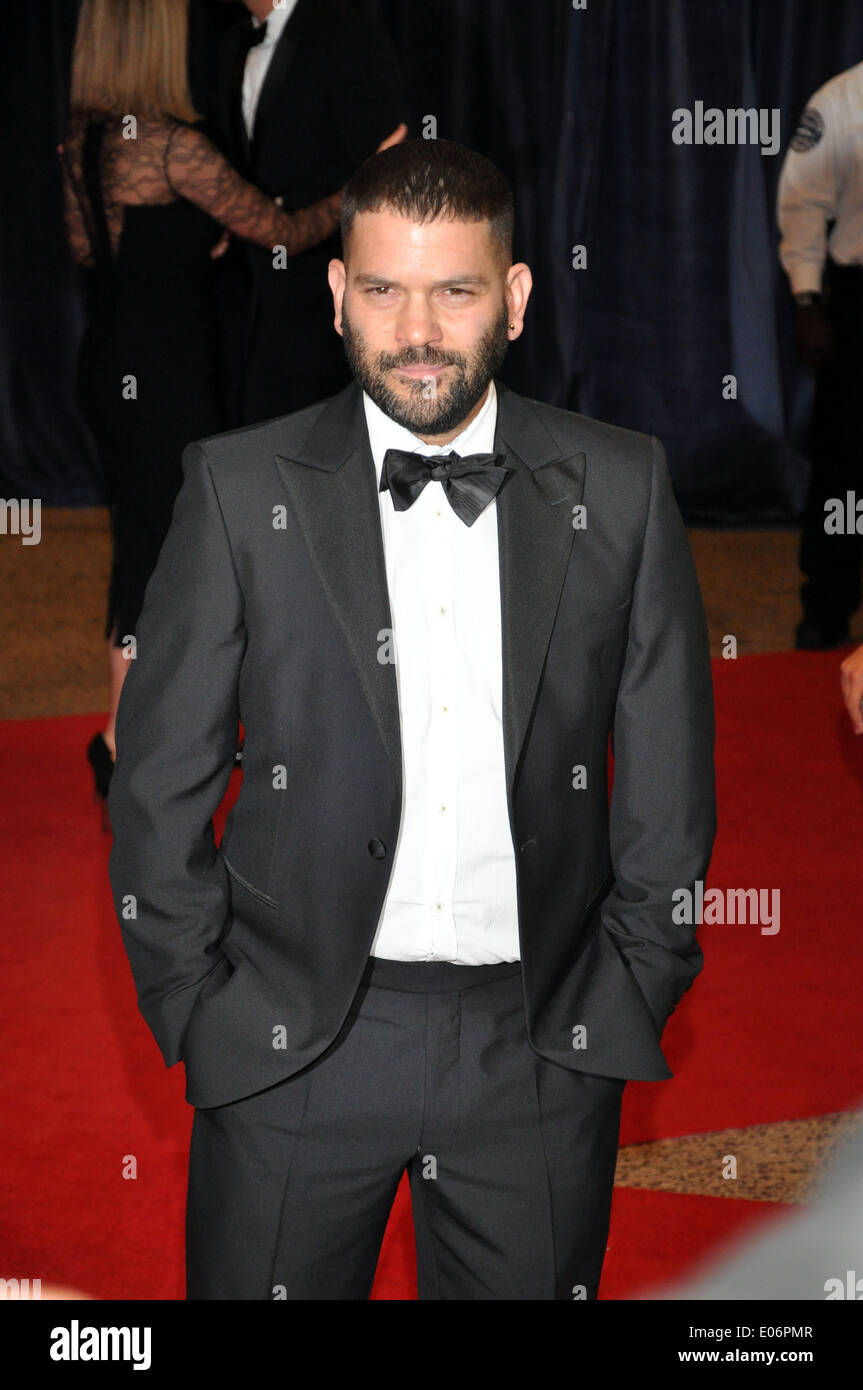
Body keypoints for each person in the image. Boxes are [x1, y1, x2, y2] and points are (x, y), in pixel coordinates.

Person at [107, 137, 717, 1300]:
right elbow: (157, 783)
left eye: (455, 288)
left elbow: (667, 776)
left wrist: (630, 986)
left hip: (534, 1046)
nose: (417, 328)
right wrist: (203, 1007)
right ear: (337, 296)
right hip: (290, 1046)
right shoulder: (240, 489)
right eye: (382, 288)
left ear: (516, 298)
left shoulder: (620, 486)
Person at [60, 0, 405, 812]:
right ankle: (132, 746)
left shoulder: (81, 142)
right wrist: (363, 180)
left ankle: (122, 736)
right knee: (165, 555)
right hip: (168, 373)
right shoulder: (174, 146)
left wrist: (185, 245)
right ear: (153, 43)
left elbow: (98, 249)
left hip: (106, 364)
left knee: (137, 545)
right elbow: (281, 228)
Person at [211, 0, 408, 423]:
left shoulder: (345, 28)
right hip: (249, 312)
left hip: (325, 314)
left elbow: (386, 174)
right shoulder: (229, 40)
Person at [777, 60, 863, 651]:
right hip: (858, 295)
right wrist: (807, 298)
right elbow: (804, 202)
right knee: (845, 460)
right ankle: (827, 609)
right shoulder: (843, 98)